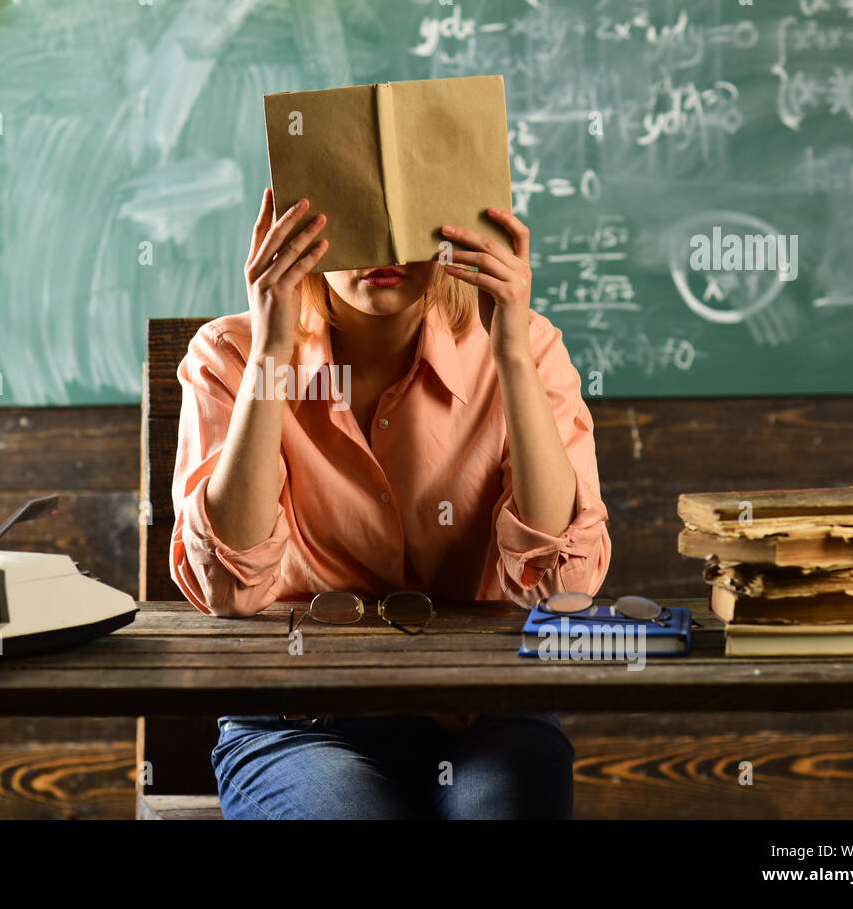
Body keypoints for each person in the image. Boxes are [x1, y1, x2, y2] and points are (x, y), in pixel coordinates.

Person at [169, 188, 611, 819]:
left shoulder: (526, 346)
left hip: (483, 713)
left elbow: (560, 584)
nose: (385, 247)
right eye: (358, 214)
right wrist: (270, 352)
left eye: (409, 213)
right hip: (299, 722)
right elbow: (229, 586)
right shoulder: (233, 355)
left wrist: (510, 354)